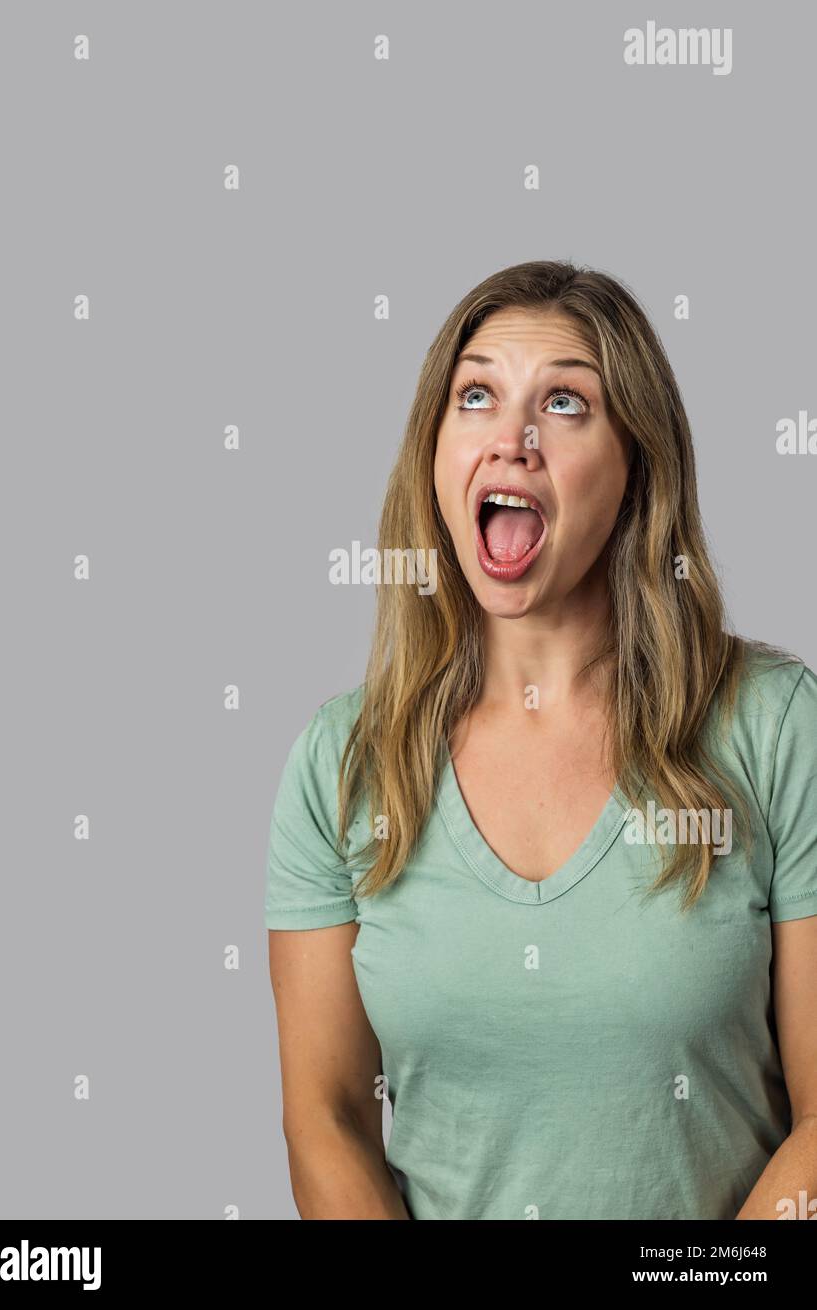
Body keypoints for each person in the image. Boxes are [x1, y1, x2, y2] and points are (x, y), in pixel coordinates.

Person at [265, 260, 817, 1220]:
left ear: (637, 460)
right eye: (476, 395)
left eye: (564, 403)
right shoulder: (341, 764)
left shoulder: (776, 726)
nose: (510, 441)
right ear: (434, 452)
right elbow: (327, 1118)